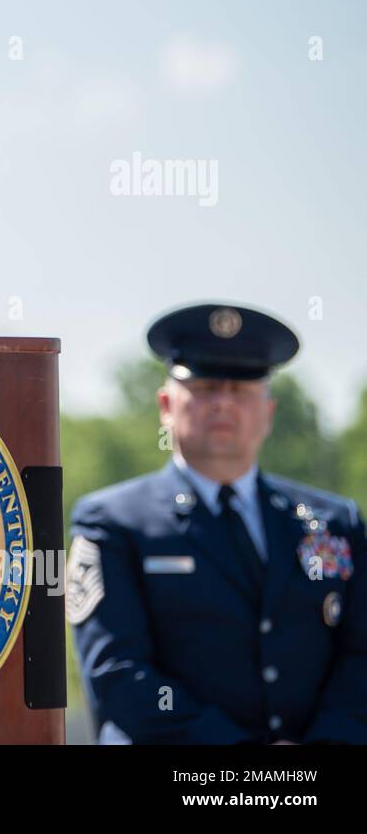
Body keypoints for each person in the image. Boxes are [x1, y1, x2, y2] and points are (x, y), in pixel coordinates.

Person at [68, 303, 365, 744]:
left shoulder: (334, 522)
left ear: (268, 412)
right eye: (205, 387)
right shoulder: (113, 523)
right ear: (167, 406)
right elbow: (120, 674)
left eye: (242, 390)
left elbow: (360, 657)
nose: (224, 402)